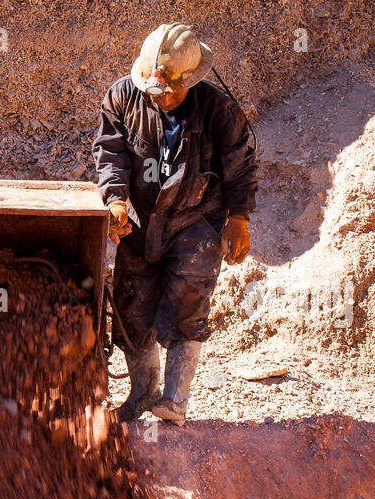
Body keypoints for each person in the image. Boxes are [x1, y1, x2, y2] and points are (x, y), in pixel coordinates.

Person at [92, 23, 257, 424]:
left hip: (196, 221)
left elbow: (240, 166)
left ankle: (175, 401)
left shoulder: (218, 109)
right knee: (132, 307)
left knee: (187, 305)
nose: (163, 97)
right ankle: (142, 394)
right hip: (141, 221)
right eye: (155, 90)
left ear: (193, 79)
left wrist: (238, 219)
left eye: (171, 91)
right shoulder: (122, 98)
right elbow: (110, 153)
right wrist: (114, 198)